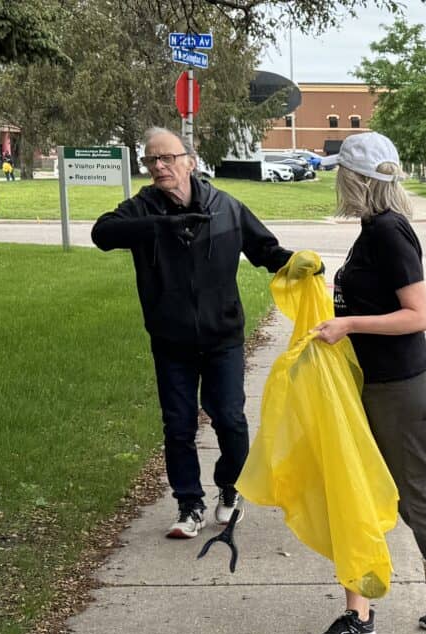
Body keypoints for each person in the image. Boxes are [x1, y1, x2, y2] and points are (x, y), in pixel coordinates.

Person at [304, 132, 426, 634]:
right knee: (355, 491)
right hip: (373, 385)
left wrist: (348, 324)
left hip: (403, 388)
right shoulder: (371, 231)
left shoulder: (388, 232)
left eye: (340, 173)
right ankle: (357, 615)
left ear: (356, 180)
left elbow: (417, 315)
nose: (336, 181)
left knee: (412, 491)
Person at [91, 127, 309, 539]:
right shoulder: (142, 208)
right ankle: (189, 503)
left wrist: (295, 263)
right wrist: (160, 226)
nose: (158, 167)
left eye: (167, 158)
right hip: (170, 338)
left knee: (229, 418)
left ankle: (230, 489)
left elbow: (265, 249)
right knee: (178, 424)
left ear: (190, 160)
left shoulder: (226, 208)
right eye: (151, 160)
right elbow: (101, 234)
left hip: (222, 334)